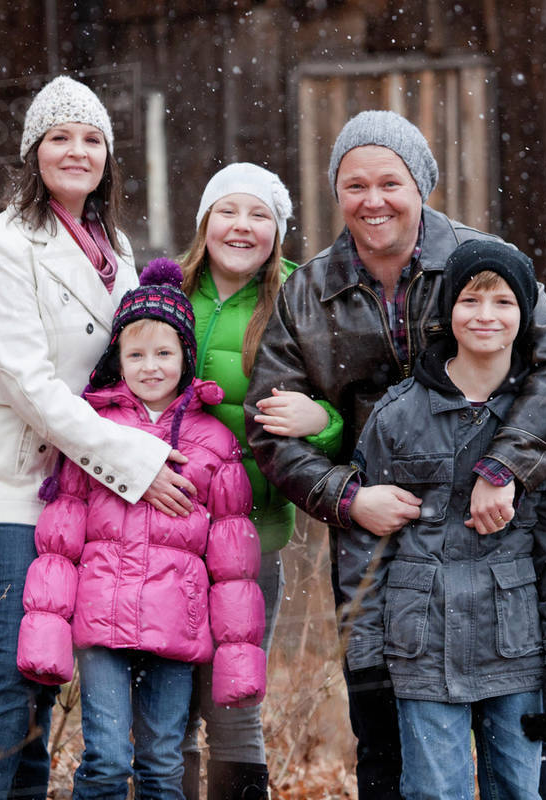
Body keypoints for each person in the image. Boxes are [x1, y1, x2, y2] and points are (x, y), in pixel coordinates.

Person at [245, 110, 546, 798]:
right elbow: (271, 435)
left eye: (390, 182)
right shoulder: (307, 295)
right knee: (387, 748)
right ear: (336, 192)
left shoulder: (480, 267)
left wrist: (506, 468)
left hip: (493, 543)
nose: (373, 201)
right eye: (355, 185)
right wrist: (348, 498)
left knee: (518, 762)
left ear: (422, 186)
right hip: (381, 550)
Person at [0, 76, 195, 799]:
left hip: (78, 487)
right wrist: (138, 460)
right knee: (12, 665)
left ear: (108, 157)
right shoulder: (0, 249)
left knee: (43, 669)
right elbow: (35, 389)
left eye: (91, 138)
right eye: (59, 137)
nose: (76, 151)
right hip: (4, 482)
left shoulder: (111, 245)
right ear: (33, 152)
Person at [338, 240, 546, 800]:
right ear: (447, 311)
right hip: (420, 651)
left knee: (518, 790)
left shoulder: (541, 429)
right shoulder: (396, 416)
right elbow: (362, 553)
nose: (486, 315)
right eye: (471, 300)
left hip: (517, 652)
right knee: (434, 792)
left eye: (503, 302)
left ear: (525, 316)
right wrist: (365, 665)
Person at [16, 258, 267, 800]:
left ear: (185, 356)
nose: (150, 366)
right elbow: (59, 543)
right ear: (118, 360)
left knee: (161, 764)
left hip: (176, 626)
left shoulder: (214, 444)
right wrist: (47, 631)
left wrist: (237, 655)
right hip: (101, 619)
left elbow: (234, 562)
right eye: (136, 354)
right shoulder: (93, 432)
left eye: (163, 353)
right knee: (106, 759)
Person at [178, 163, 343, 799]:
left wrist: (319, 421)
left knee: (233, 702)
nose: (242, 227)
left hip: (251, 535)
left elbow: (353, 410)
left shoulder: (302, 297)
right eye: (228, 211)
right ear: (205, 222)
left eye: (260, 215)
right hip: (163, 529)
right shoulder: (164, 290)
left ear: (278, 231)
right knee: (166, 711)